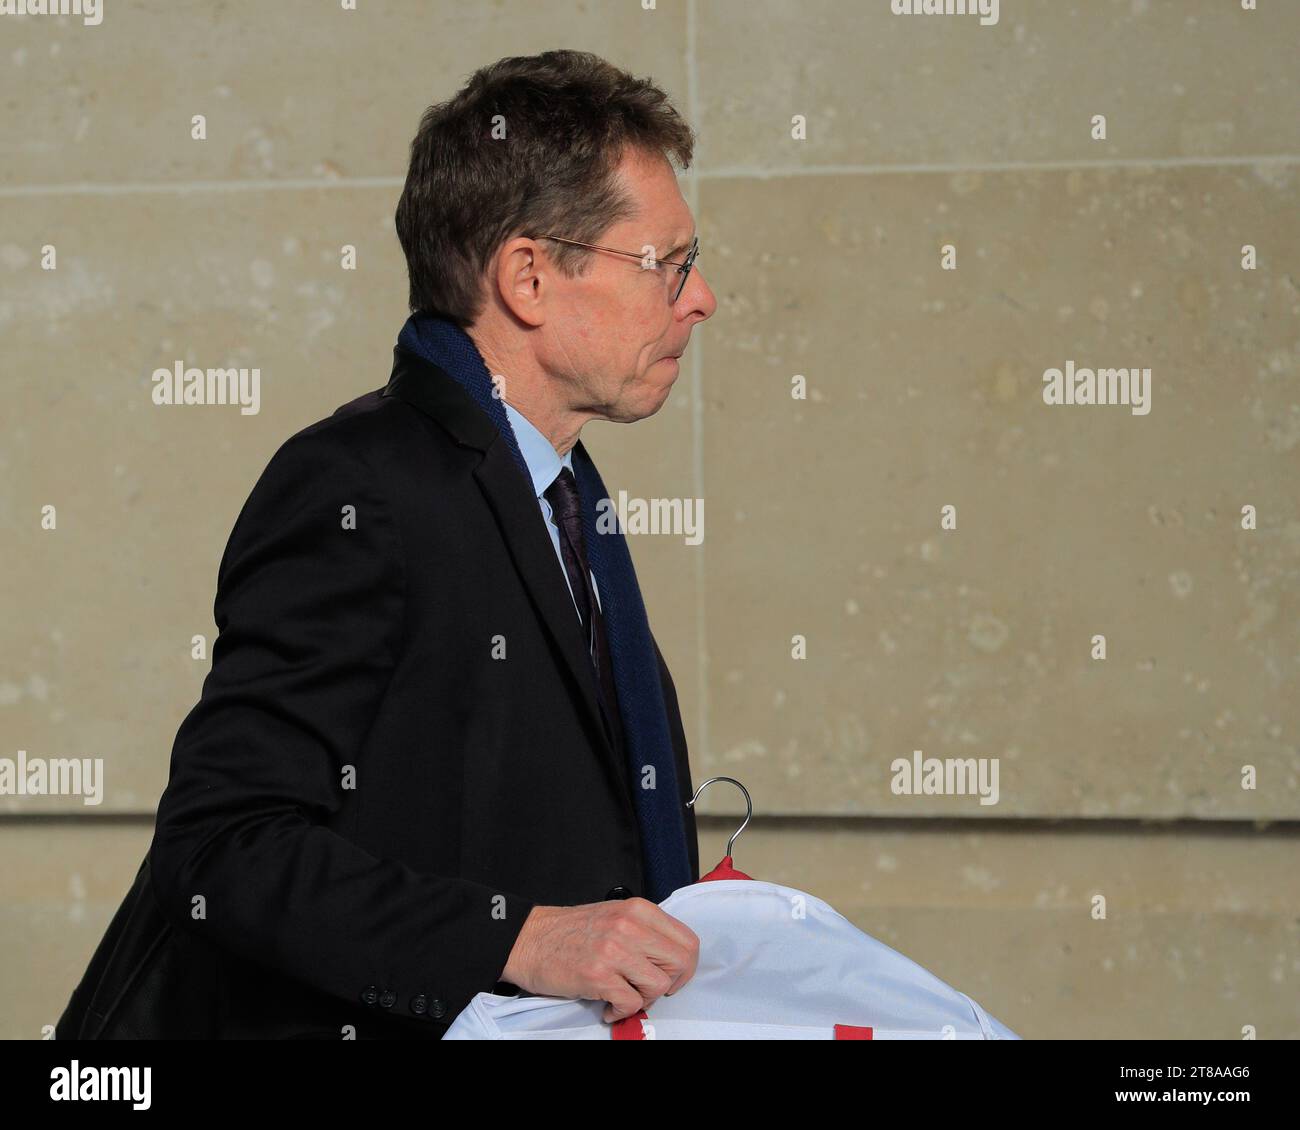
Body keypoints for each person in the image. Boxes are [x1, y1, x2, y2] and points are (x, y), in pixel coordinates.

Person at [55, 48, 718, 1040]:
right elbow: (223, 844)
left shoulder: (562, 491)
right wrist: (520, 939)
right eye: (664, 263)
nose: (697, 298)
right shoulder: (360, 484)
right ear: (528, 276)